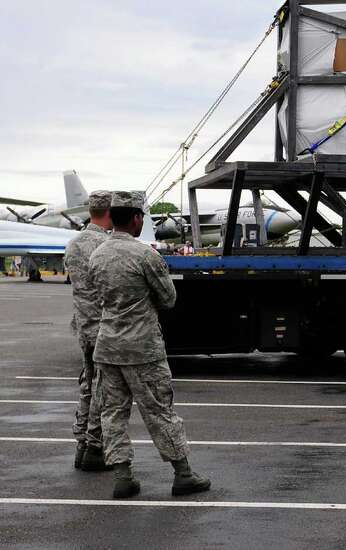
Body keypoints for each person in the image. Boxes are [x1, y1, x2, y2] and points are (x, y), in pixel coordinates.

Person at [91, 190, 210, 500]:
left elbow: (95, 297)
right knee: (159, 411)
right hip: (142, 347)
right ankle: (183, 474)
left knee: (112, 414)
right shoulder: (146, 255)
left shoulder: (97, 254)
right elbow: (168, 299)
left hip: (107, 347)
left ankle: (122, 477)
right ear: (135, 219)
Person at [62, 190, 113, 472]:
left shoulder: (74, 243)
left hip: (83, 325)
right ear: (109, 211)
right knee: (102, 389)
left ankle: (81, 443)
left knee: (87, 386)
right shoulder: (103, 244)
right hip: (103, 326)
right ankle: (95, 446)